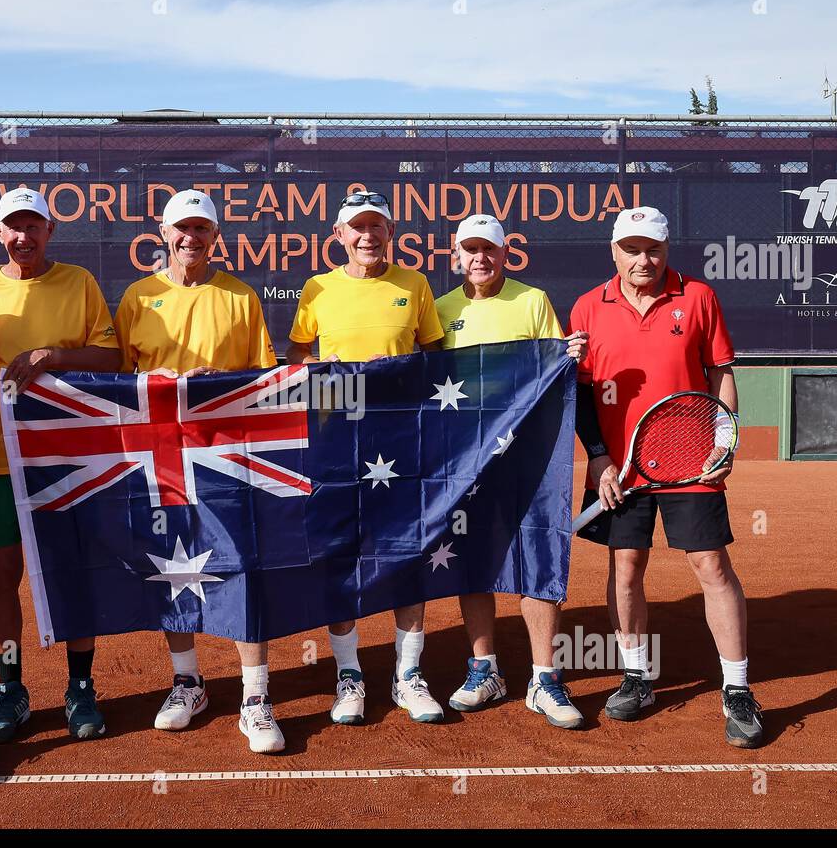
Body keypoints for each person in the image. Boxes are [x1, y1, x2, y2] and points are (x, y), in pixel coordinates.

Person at [569, 205, 763, 748]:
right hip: (621, 469)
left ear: (666, 249)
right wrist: (601, 457)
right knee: (625, 565)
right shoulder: (587, 307)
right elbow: (582, 392)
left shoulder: (698, 297)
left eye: (652, 248)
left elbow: (722, 373)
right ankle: (636, 676)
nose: (642, 259)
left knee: (711, 563)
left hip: (689, 457)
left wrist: (724, 440)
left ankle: (737, 687)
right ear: (614, 252)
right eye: (631, 249)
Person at [113, 189, 285, 753]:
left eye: (202, 230)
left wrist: (218, 385)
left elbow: (262, 385)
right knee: (173, 568)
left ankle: (255, 696)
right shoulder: (138, 298)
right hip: (158, 461)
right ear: (163, 235)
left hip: (226, 457)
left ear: (216, 237)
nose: (191, 239)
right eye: (181, 229)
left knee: (242, 568)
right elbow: (119, 384)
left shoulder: (241, 298)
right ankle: (187, 682)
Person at [0, 187, 122, 744]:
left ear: (51, 231)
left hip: (69, 456)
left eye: (34, 226)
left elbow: (111, 355)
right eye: (12, 227)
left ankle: (80, 688)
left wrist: (51, 355)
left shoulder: (80, 283)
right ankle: (11, 692)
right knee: (1, 576)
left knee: (71, 572)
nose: (23, 236)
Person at [286, 189, 446, 725]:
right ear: (339, 236)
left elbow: (436, 360)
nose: (367, 236)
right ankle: (349, 675)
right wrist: (324, 366)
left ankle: (407, 675)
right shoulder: (316, 288)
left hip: (401, 441)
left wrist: (397, 372)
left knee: (407, 551)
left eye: (377, 226)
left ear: (390, 233)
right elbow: (296, 358)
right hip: (335, 442)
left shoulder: (415, 284)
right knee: (341, 554)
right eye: (357, 227)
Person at [435, 214, 588, 727]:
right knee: (473, 558)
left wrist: (569, 356)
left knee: (539, 551)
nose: (480, 259)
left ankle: (545, 677)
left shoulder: (533, 301)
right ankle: (485, 668)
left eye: (489, 250)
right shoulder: (440, 310)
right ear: (457, 255)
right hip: (466, 461)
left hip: (530, 457)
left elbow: (556, 368)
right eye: (470, 250)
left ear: (505, 254)